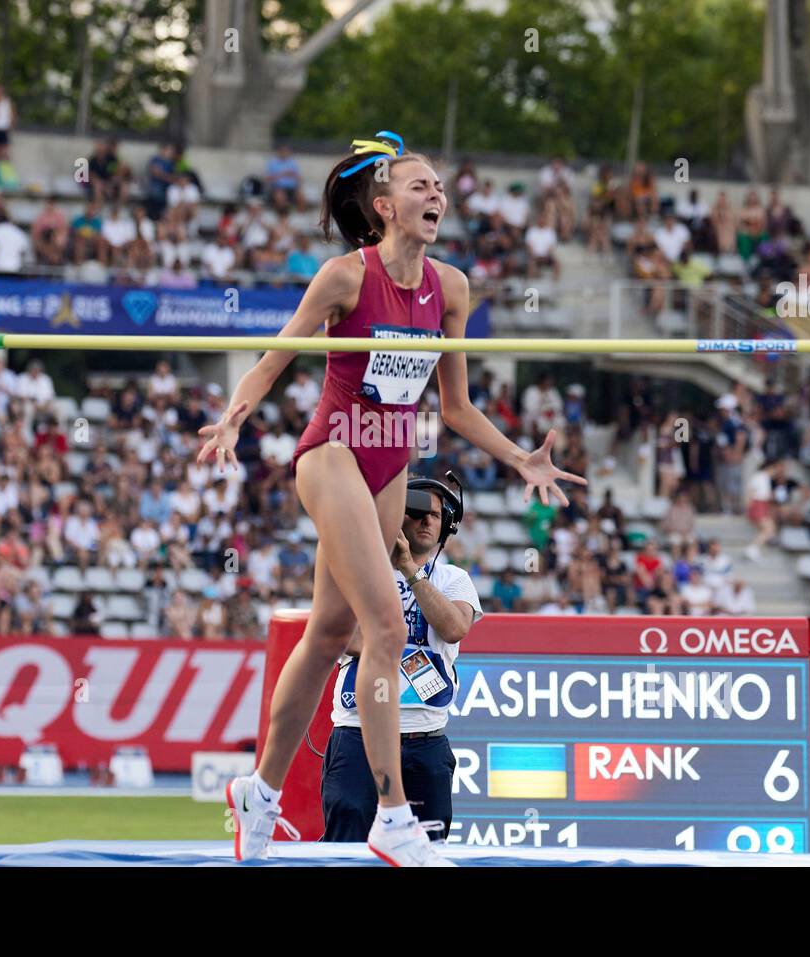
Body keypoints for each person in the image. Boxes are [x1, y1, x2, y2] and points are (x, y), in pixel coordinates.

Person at [203, 131, 584, 867]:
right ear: (383, 207)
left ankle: (259, 791)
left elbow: (459, 407)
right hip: (332, 451)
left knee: (324, 635)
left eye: (440, 186)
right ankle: (393, 816)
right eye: (419, 186)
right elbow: (277, 354)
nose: (436, 194)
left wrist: (519, 459)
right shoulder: (345, 278)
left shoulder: (453, 288)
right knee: (383, 626)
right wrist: (235, 416)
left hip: (390, 463)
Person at [322, 477, 481, 842]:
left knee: (428, 847)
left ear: (448, 526)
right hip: (356, 730)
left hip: (424, 736)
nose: (427, 521)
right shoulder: (357, 568)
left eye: (437, 516)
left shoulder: (455, 578)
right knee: (346, 840)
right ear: (395, 516)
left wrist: (411, 570)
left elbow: (455, 627)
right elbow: (344, 637)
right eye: (418, 511)